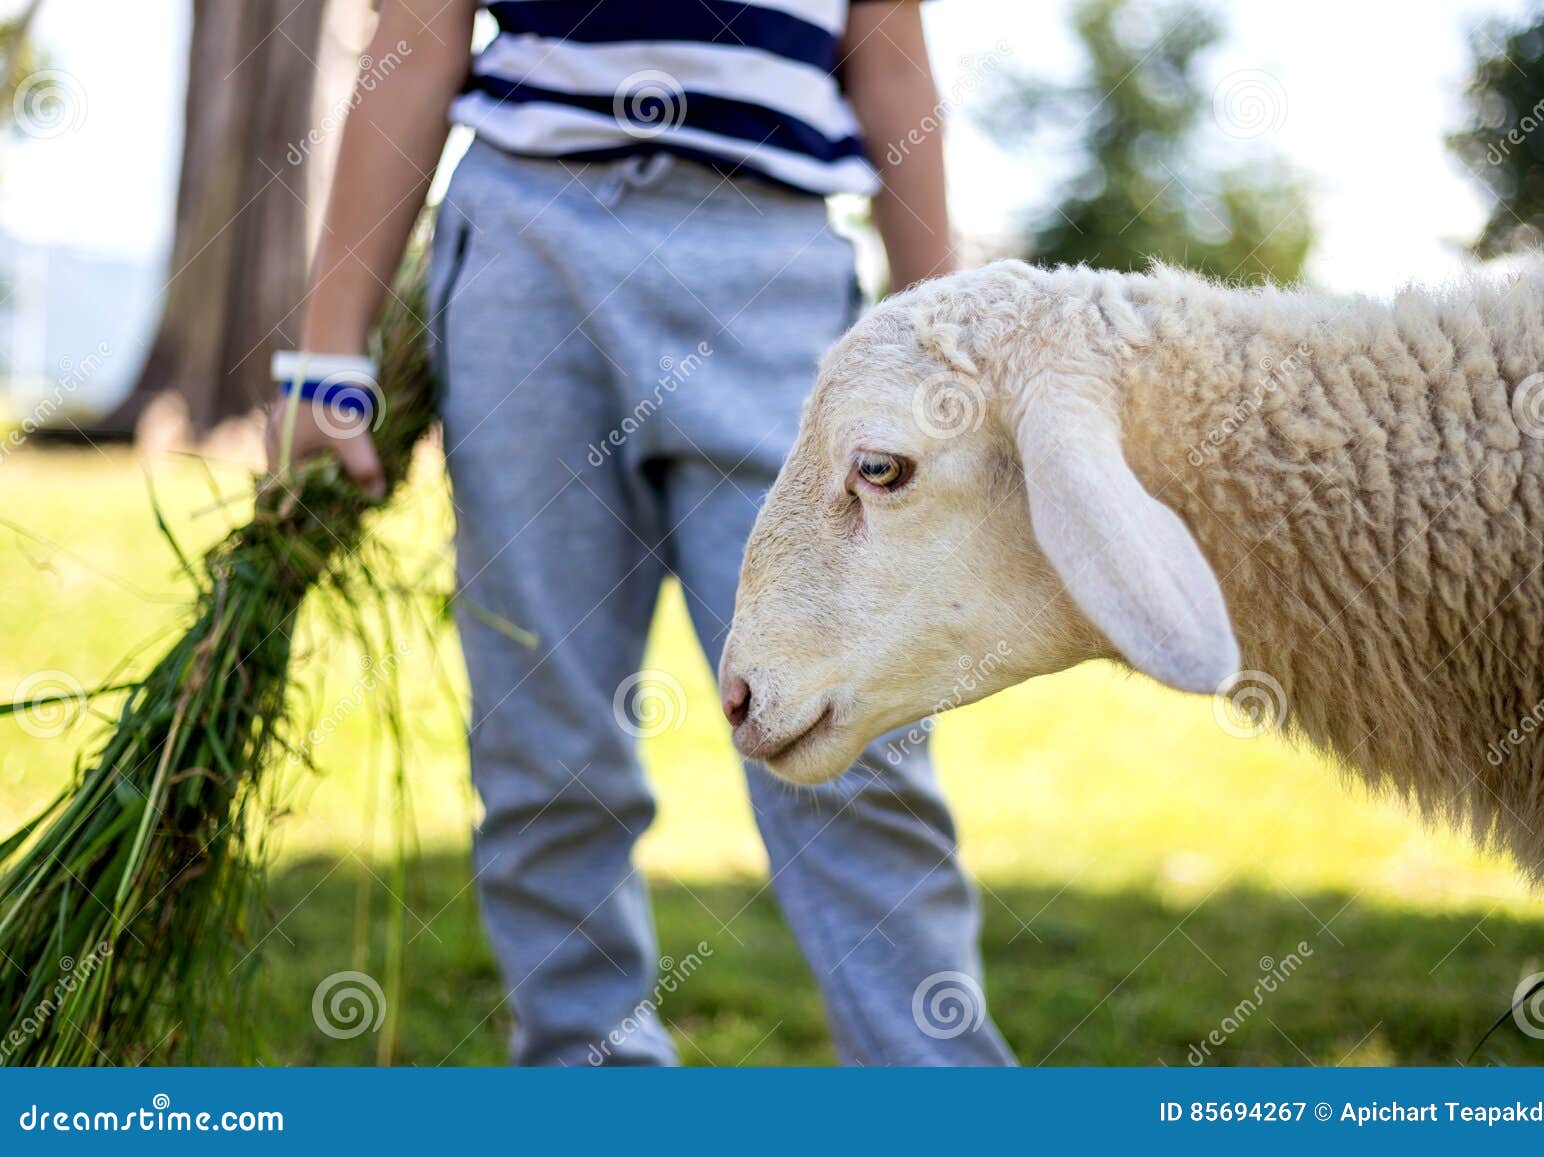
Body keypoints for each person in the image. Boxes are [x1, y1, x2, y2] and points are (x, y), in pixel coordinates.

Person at [267, 0, 1012, 1066]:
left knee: (847, 724)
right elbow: (416, 36)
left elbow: (889, 66)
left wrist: (939, 349)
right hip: (529, 245)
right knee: (544, 728)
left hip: (776, 268)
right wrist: (327, 354)